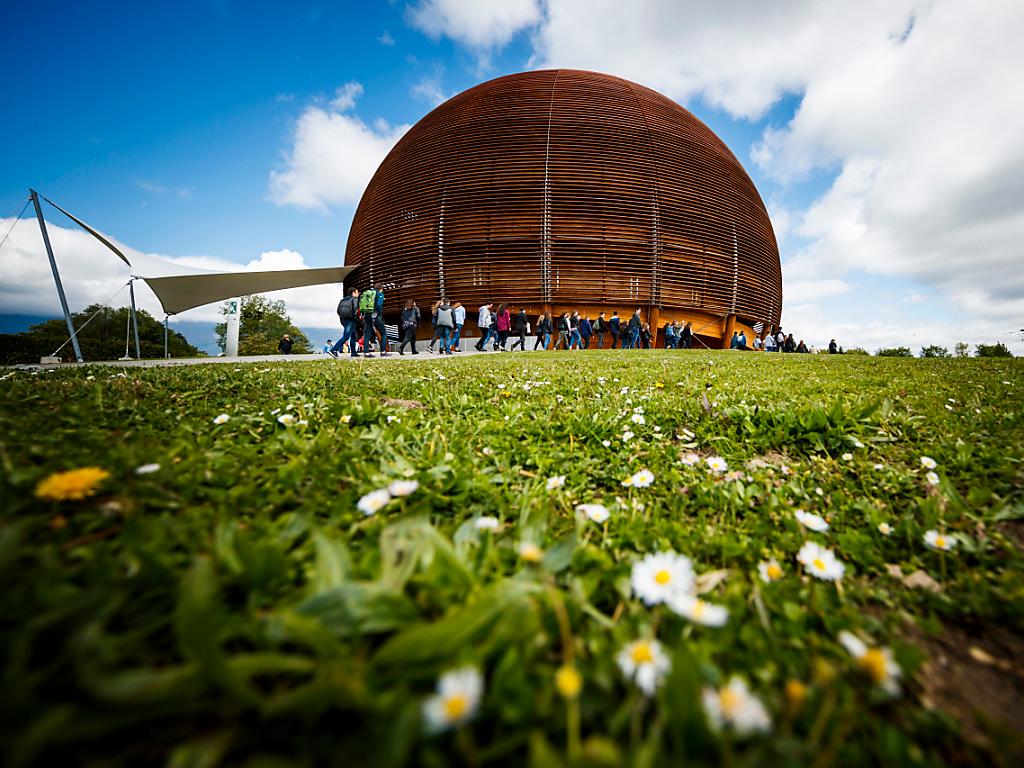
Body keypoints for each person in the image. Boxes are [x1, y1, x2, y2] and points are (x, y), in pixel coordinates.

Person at [333, 287, 361, 357]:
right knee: (346, 336)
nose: (358, 294)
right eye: (357, 292)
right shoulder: (355, 299)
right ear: (353, 293)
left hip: (343, 320)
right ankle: (334, 349)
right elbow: (355, 310)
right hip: (351, 320)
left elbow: (338, 311)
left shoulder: (342, 300)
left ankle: (353, 352)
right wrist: (357, 319)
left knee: (354, 336)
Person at [358, 285, 378, 357]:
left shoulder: (362, 295)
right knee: (368, 334)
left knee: (367, 333)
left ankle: (366, 351)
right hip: (370, 314)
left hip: (364, 315)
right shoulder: (372, 293)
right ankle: (366, 352)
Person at [372, 284, 389, 356]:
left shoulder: (371, 293)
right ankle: (383, 351)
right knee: (384, 333)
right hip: (377, 316)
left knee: (367, 334)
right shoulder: (380, 294)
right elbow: (379, 305)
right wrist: (379, 314)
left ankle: (366, 352)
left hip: (369, 316)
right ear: (381, 288)